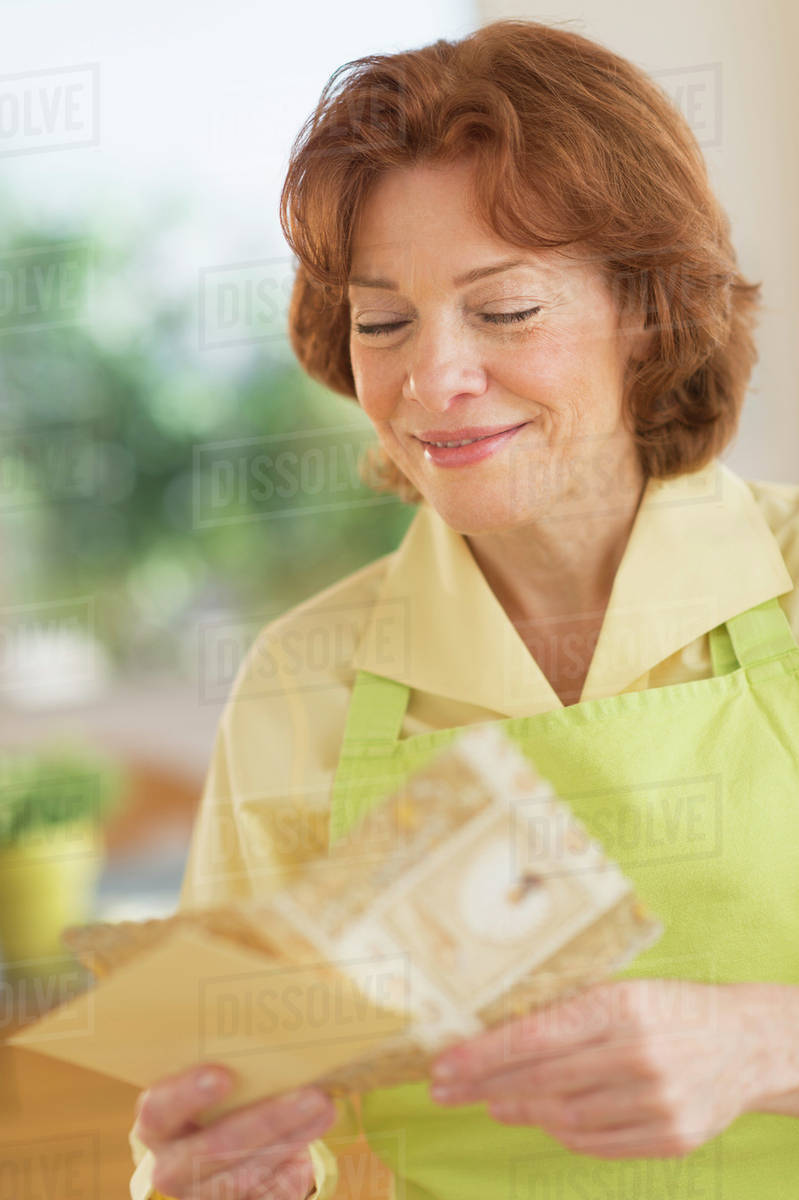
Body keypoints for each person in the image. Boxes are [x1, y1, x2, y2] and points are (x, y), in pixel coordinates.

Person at [128, 17, 799, 1200]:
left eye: (505, 311)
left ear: (646, 311)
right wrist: (206, 1174)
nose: (432, 380)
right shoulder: (304, 680)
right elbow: (222, 1110)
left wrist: (764, 1042)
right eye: (383, 322)